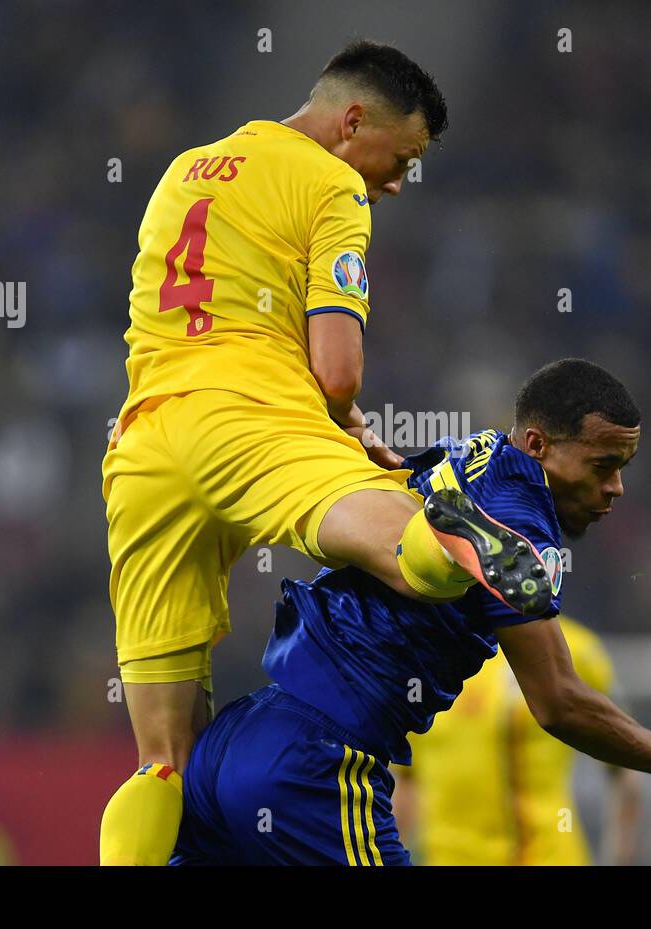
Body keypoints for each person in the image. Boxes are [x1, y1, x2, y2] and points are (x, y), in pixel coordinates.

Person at [100, 40, 552, 865]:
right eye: (402, 159)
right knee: (406, 538)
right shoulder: (330, 183)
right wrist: (346, 420)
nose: (396, 183)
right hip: (249, 417)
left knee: (164, 762)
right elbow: (335, 367)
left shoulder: (186, 169)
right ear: (352, 124)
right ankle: (470, 533)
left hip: (142, 445)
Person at [169, 359, 651, 864]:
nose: (617, 488)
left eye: (623, 466)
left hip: (235, 745)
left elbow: (396, 481)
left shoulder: (473, 453)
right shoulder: (524, 529)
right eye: (602, 466)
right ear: (538, 446)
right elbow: (558, 701)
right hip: (317, 766)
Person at [393, 615, 642, 865]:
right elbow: (406, 781)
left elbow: (626, 766)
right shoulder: (421, 657)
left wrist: (620, 857)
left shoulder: (570, 648)